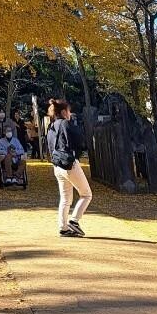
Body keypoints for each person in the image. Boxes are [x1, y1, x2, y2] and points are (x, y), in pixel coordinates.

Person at [47, 99, 92, 237]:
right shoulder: (66, 124)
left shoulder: (51, 126)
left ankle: (63, 227)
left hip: (57, 165)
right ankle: (74, 221)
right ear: (63, 112)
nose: (70, 113)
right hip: (69, 163)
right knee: (86, 194)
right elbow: (79, 140)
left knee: (65, 198)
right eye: (68, 111)